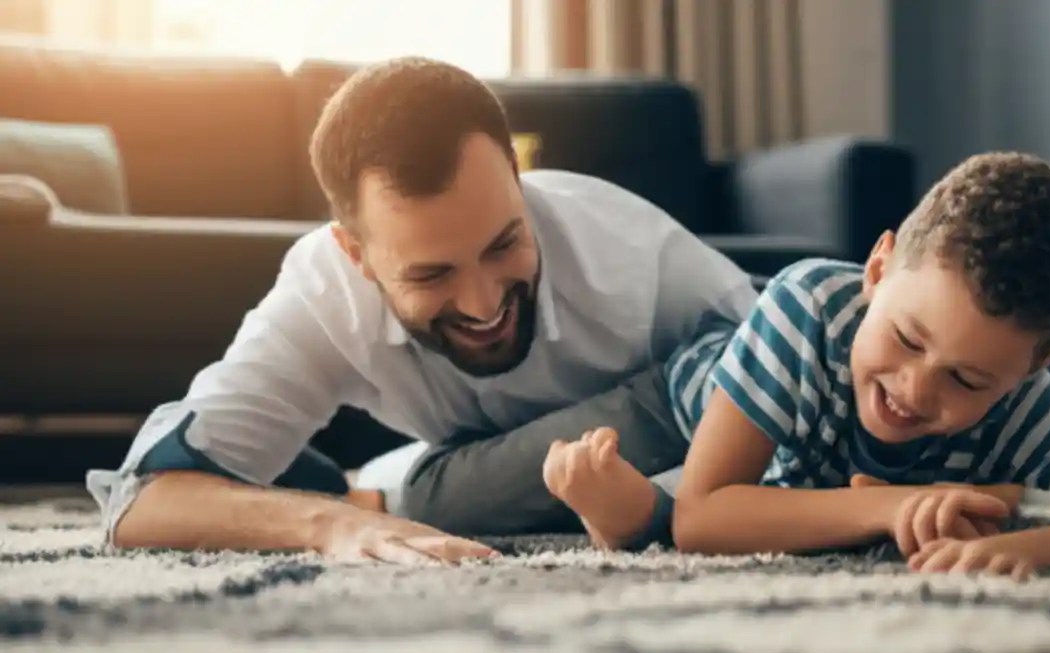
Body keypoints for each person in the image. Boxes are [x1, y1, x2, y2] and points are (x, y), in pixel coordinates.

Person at [85, 57, 758, 564]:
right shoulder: (322, 297)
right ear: (356, 254)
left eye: (505, 244)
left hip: (670, 426)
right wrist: (336, 526)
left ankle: (382, 488)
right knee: (430, 498)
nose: (484, 302)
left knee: (443, 497)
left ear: (518, 188)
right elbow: (138, 502)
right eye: (432, 273)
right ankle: (364, 495)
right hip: (462, 464)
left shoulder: (637, 262)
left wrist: (650, 509)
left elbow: (787, 382)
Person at [543, 152, 1050, 579]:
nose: (915, 389)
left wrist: (1018, 552)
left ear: (1034, 367)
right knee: (513, 484)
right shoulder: (805, 308)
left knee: (679, 510)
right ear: (878, 267)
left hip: (794, 468)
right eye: (908, 338)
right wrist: (895, 507)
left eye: (968, 380)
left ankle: (636, 515)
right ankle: (628, 509)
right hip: (683, 396)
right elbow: (703, 520)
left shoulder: (1024, 399)